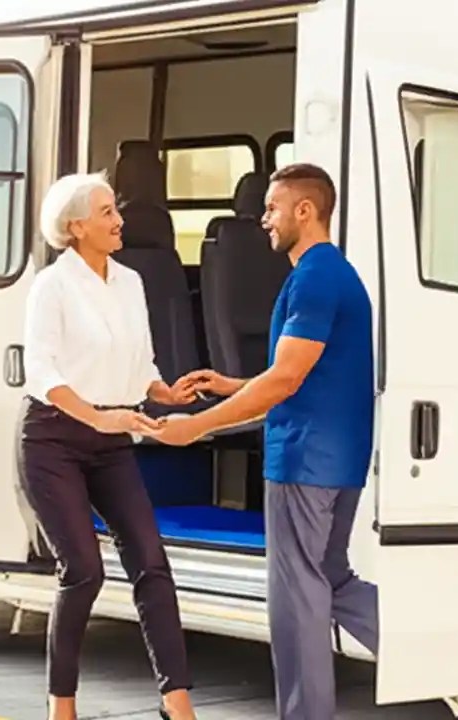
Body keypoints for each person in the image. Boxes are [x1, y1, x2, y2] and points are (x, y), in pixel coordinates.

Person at [155, 163, 379, 720]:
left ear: (306, 210)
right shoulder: (335, 273)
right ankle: (440, 656)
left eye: (273, 209)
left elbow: (285, 380)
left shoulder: (314, 277)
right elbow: (301, 369)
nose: (264, 220)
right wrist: (231, 386)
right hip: (340, 458)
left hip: (304, 459)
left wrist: (196, 425)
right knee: (330, 578)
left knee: (297, 599)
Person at [18, 171, 200, 720]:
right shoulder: (52, 286)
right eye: (105, 212)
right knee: (83, 572)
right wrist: (99, 415)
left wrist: (165, 390)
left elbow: (138, 361)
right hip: (54, 439)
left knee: (151, 562)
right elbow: (42, 372)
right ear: (75, 227)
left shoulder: (130, 282)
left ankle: (177, 702)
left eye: (115, 210)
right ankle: (61, 707)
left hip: (112, 439)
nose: (119, 220)